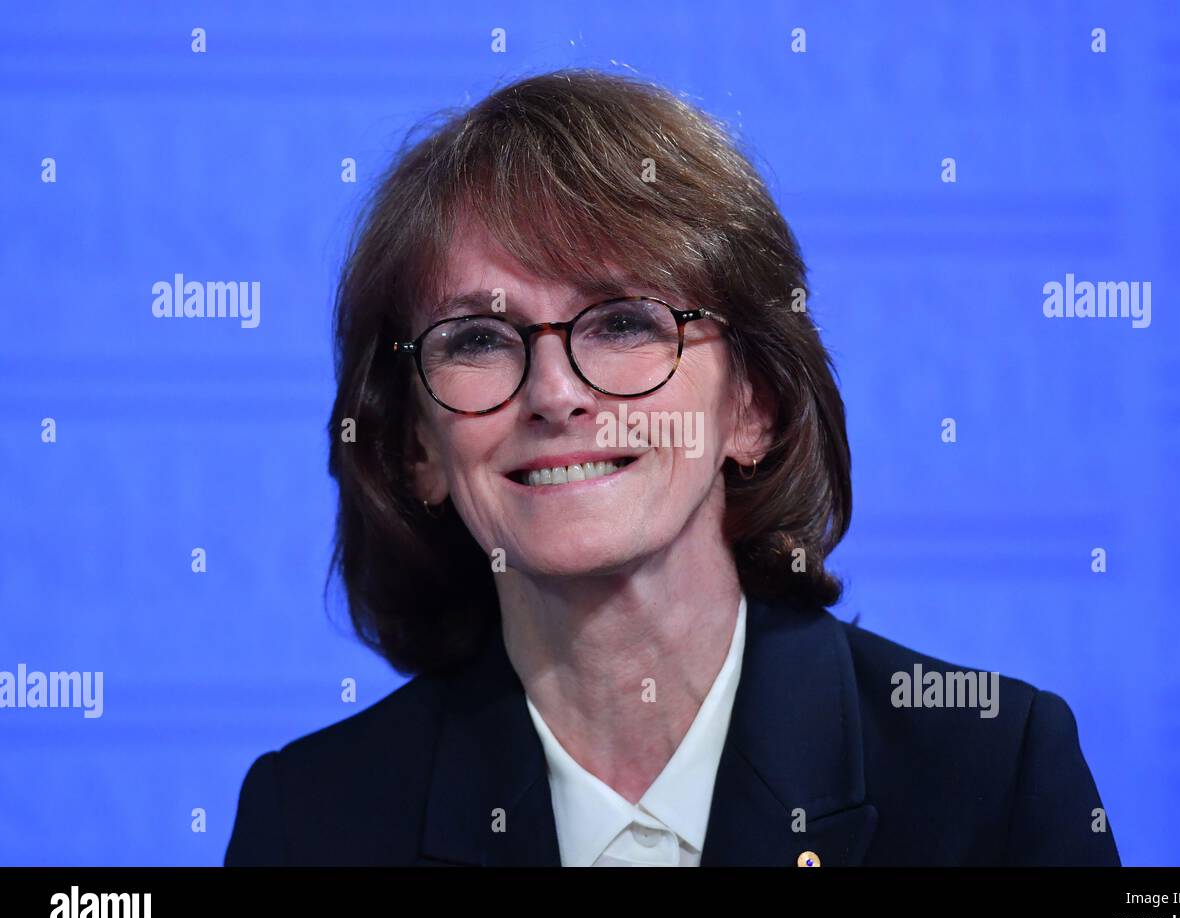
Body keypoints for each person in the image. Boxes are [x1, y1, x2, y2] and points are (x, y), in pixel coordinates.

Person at [224, 68, 1119, 867]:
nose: (555, 393)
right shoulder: (313, 825)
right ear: (417, 446)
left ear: (753, 405)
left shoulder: (991, 774)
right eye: (479, 339)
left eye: (621, 322)